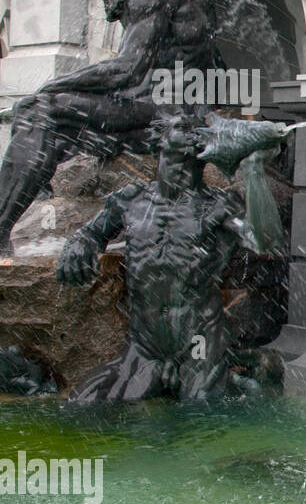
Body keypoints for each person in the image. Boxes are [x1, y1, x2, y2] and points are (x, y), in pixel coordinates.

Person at [0, 0, 223, 254]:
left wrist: (50, 87)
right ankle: (36, 192)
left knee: (41, 110)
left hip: (166, 112)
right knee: (38, 113)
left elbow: (128, 70)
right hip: (159, 101)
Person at [55, 114, 283, 403]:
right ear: (160, 139)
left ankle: (238, 374)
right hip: (145, 345)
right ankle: (242, 373)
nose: (193, 133)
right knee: (84, 402)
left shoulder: (220, 206)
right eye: (184, 127)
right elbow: (90, 234)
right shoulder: (130, 199)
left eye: (199, 129)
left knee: (201, 414)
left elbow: (268, 242)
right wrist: (78, 244)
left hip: (199, 341)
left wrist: (253, 172)